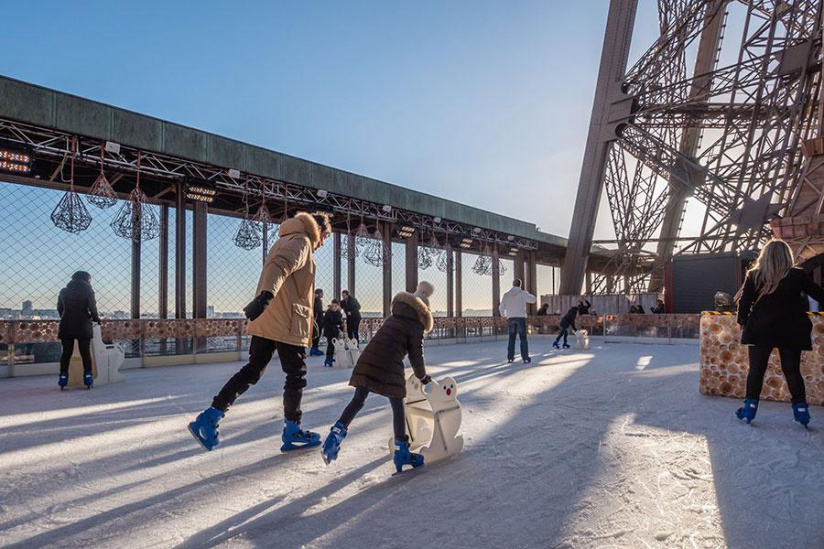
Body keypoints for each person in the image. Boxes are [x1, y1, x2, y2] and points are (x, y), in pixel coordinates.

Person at [189, 212, 332, 452]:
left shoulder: (286, 238)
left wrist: (269, 302)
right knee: (296, 374)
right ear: (318, 230)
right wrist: (265, 296)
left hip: (269, 320)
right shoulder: (302, 241)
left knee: (252, 370)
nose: (323, 243)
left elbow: (282, 273)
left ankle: (210, 416)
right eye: (325, 237)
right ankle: (292, 430)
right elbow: (280, 266)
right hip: (286, 321)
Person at [321, 281, 435, 474]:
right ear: (424, 310)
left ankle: (335, 435)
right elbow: (417, 356)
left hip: (367, 359)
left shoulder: (394, 316)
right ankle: (402, 452)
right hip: (390, 363)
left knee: (358, 400)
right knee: (398, 404)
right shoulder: (416, 323)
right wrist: (423, 377)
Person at [735, 238, 824, 428]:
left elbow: (745, 302)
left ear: (764, 255)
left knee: (756, 371)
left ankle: (749, 408)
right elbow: (819, 294)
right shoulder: (797, 275)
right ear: (787, 256)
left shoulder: (755, 275)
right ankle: (801, 411)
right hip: (791, 329)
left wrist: (742, 321)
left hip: (761, 328)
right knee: (792, 371)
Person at [56, 271, 101, 390]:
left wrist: (66, 318)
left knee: (66, 353)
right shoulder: (88, 291)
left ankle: (63, 377)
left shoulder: (64, 291)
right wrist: (96, 319)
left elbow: (60, 308)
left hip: (66, 325)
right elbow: (92, 308)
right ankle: (87, 377)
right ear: (87, 279)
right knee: (85, 353)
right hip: (83, 325)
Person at [498, 279, 536, 364]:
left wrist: (503, 316)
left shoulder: (506, 295)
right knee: (523, 338)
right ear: (520, 285)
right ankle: (525, 358)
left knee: (511, 338)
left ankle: (510, 357)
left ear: (512, 284)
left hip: (510, 318)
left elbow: (501, 307)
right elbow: (533, 300)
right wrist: (529, 294)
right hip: (521, 318)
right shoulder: (523, 293)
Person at [322, 299, 345, 367]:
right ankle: (328, 358)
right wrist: (335, 325)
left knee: (333, 345)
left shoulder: (339, 313)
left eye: (336, 306)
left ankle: (329, 358)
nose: (334, 307)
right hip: (329, 331)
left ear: (338, 306)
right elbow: (326, 322)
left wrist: (341, 325)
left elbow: (338, 321)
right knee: (330, 344)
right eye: (333, 306)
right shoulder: (328, 313)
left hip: (335, 331)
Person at [309, 289, 325, 356]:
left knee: (315, 334)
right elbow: (318, 310)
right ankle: (314, 349)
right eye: (322, 293)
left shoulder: (313, 299)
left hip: (314, 319)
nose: (323, 294)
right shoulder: (318, 300)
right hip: (318, 320)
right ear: (319, 293)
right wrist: (323, 312)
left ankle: (313, 348)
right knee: (317, 334)